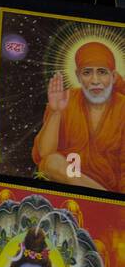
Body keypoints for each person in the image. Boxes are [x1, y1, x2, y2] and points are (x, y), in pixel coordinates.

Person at [31, 40, 125, 192]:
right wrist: (56, 112)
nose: (95, 80)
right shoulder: (65, 99)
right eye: (87, 72)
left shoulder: (123, 108)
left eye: (102, 72)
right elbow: (44, 154)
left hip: (111, 189)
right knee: (52, 162)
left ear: (113, 76)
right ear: (78, 76)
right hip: (69, 178)